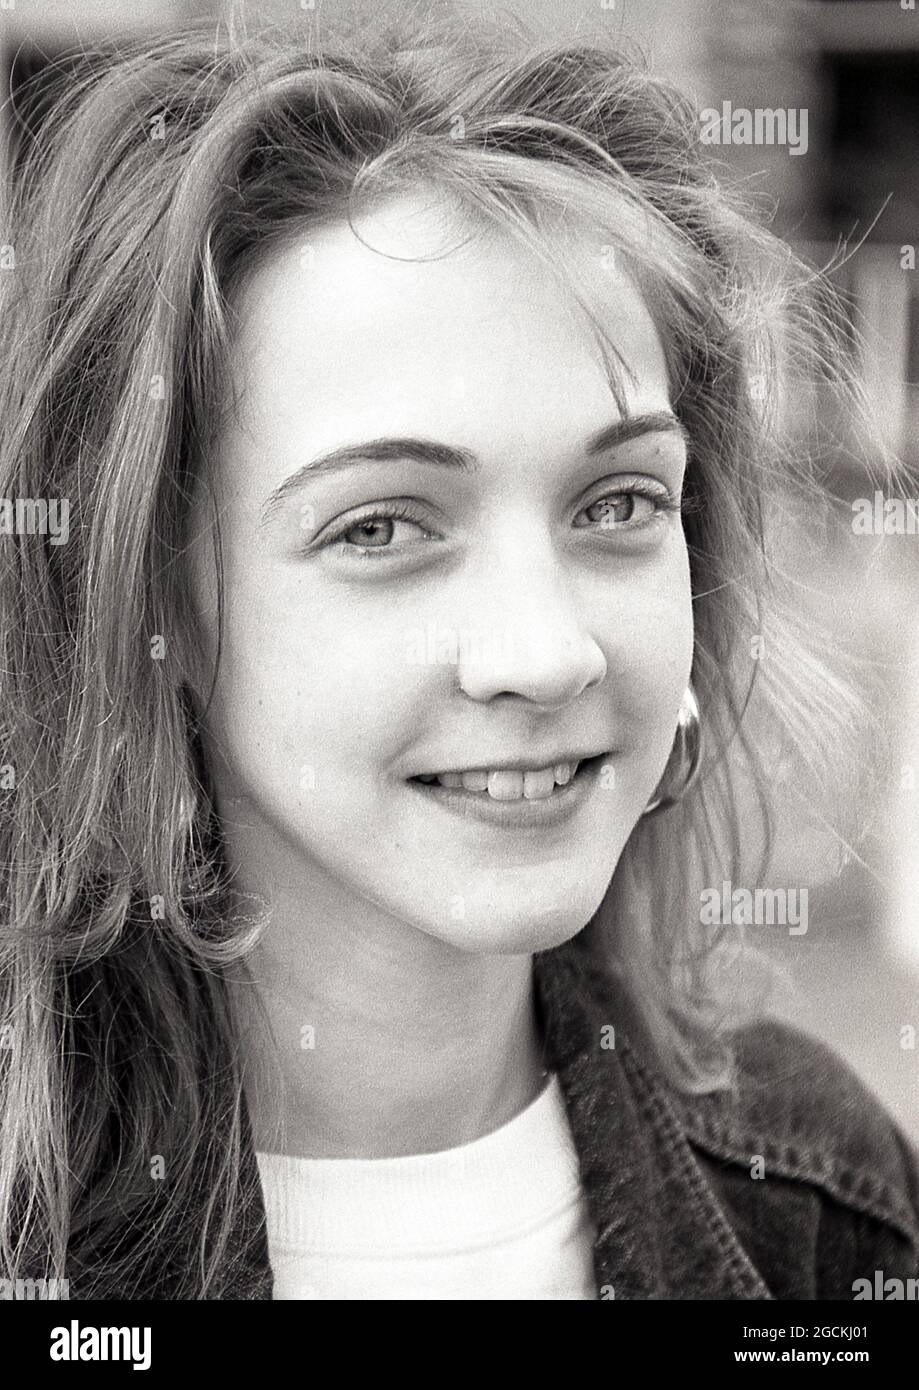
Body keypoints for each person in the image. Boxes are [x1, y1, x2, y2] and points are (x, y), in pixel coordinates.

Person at [0, 14, 916, 1301]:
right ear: (154, 601)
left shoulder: (821, 1202)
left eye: (618, 504)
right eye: (381, 526)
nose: (543, 654)